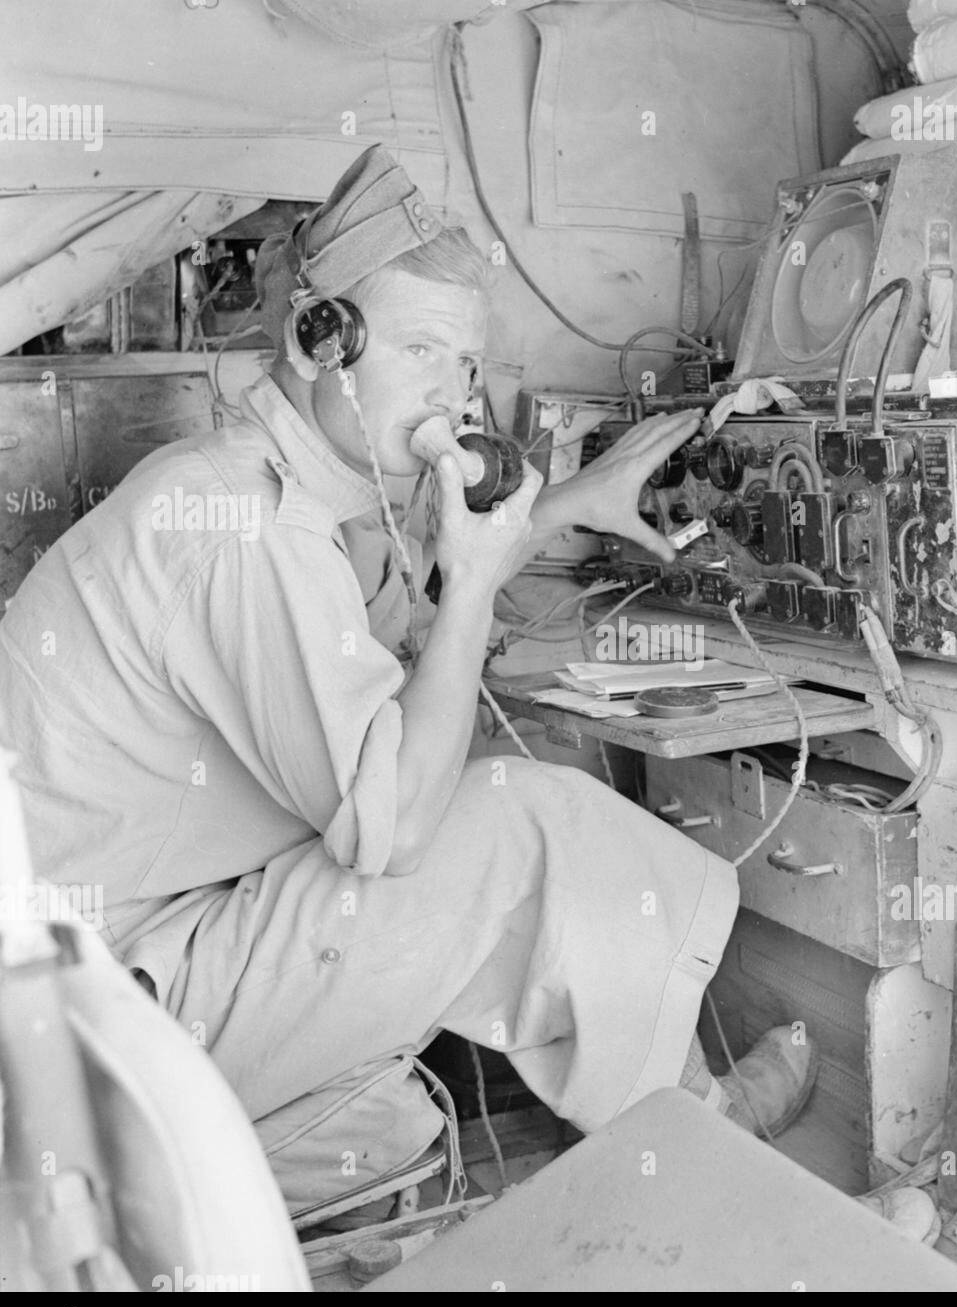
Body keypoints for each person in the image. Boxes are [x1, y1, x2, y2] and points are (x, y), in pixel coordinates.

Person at [0, 145, 815, 1214]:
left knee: (388, 1137)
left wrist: (566, 506)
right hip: (101, 1011)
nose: (451, 392)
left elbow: (380, 628)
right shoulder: (243, 527)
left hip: (116, 971)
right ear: (316, 340)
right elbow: (398, 827)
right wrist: (473, 592)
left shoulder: (276, 484)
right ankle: (699, 1130)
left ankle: (615, 1141)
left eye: (465, 363)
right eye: (421, 349)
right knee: (516, 819)